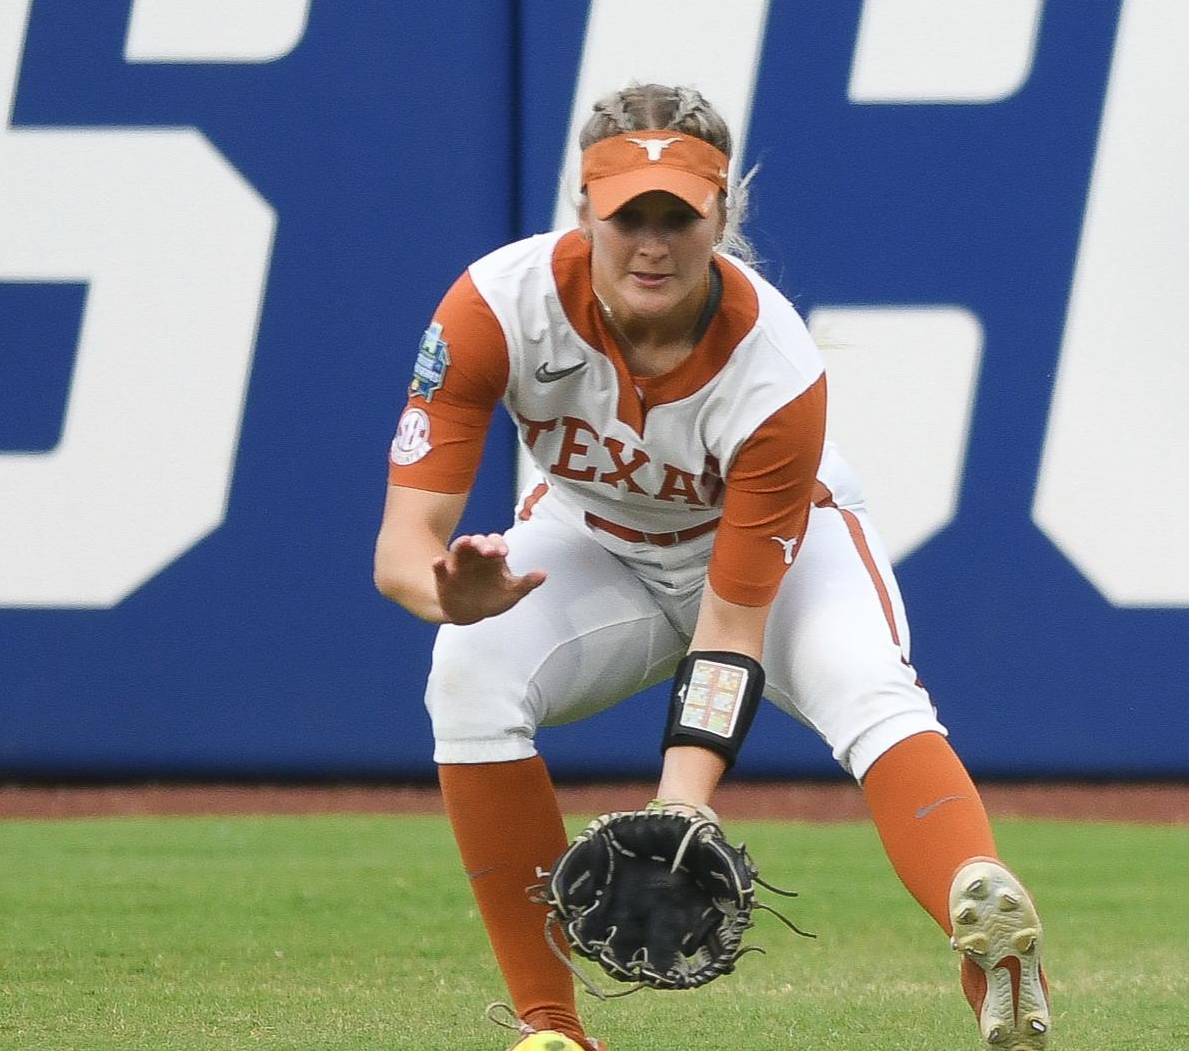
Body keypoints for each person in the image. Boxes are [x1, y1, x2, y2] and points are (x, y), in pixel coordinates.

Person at [372, 83, 1052, 1051]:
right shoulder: (495, 308)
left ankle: (979, 924)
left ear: (721, 217)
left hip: (774, 549)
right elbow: (401, 548)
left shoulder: (775, 368)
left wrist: (680, 804)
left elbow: (730, 628)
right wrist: (443, 592)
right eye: (629, 218)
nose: (652, 244)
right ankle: (552, 1031)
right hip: (597, 538)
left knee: (868, 688)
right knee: (467, 672)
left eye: (678, 218)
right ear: (583, 212)